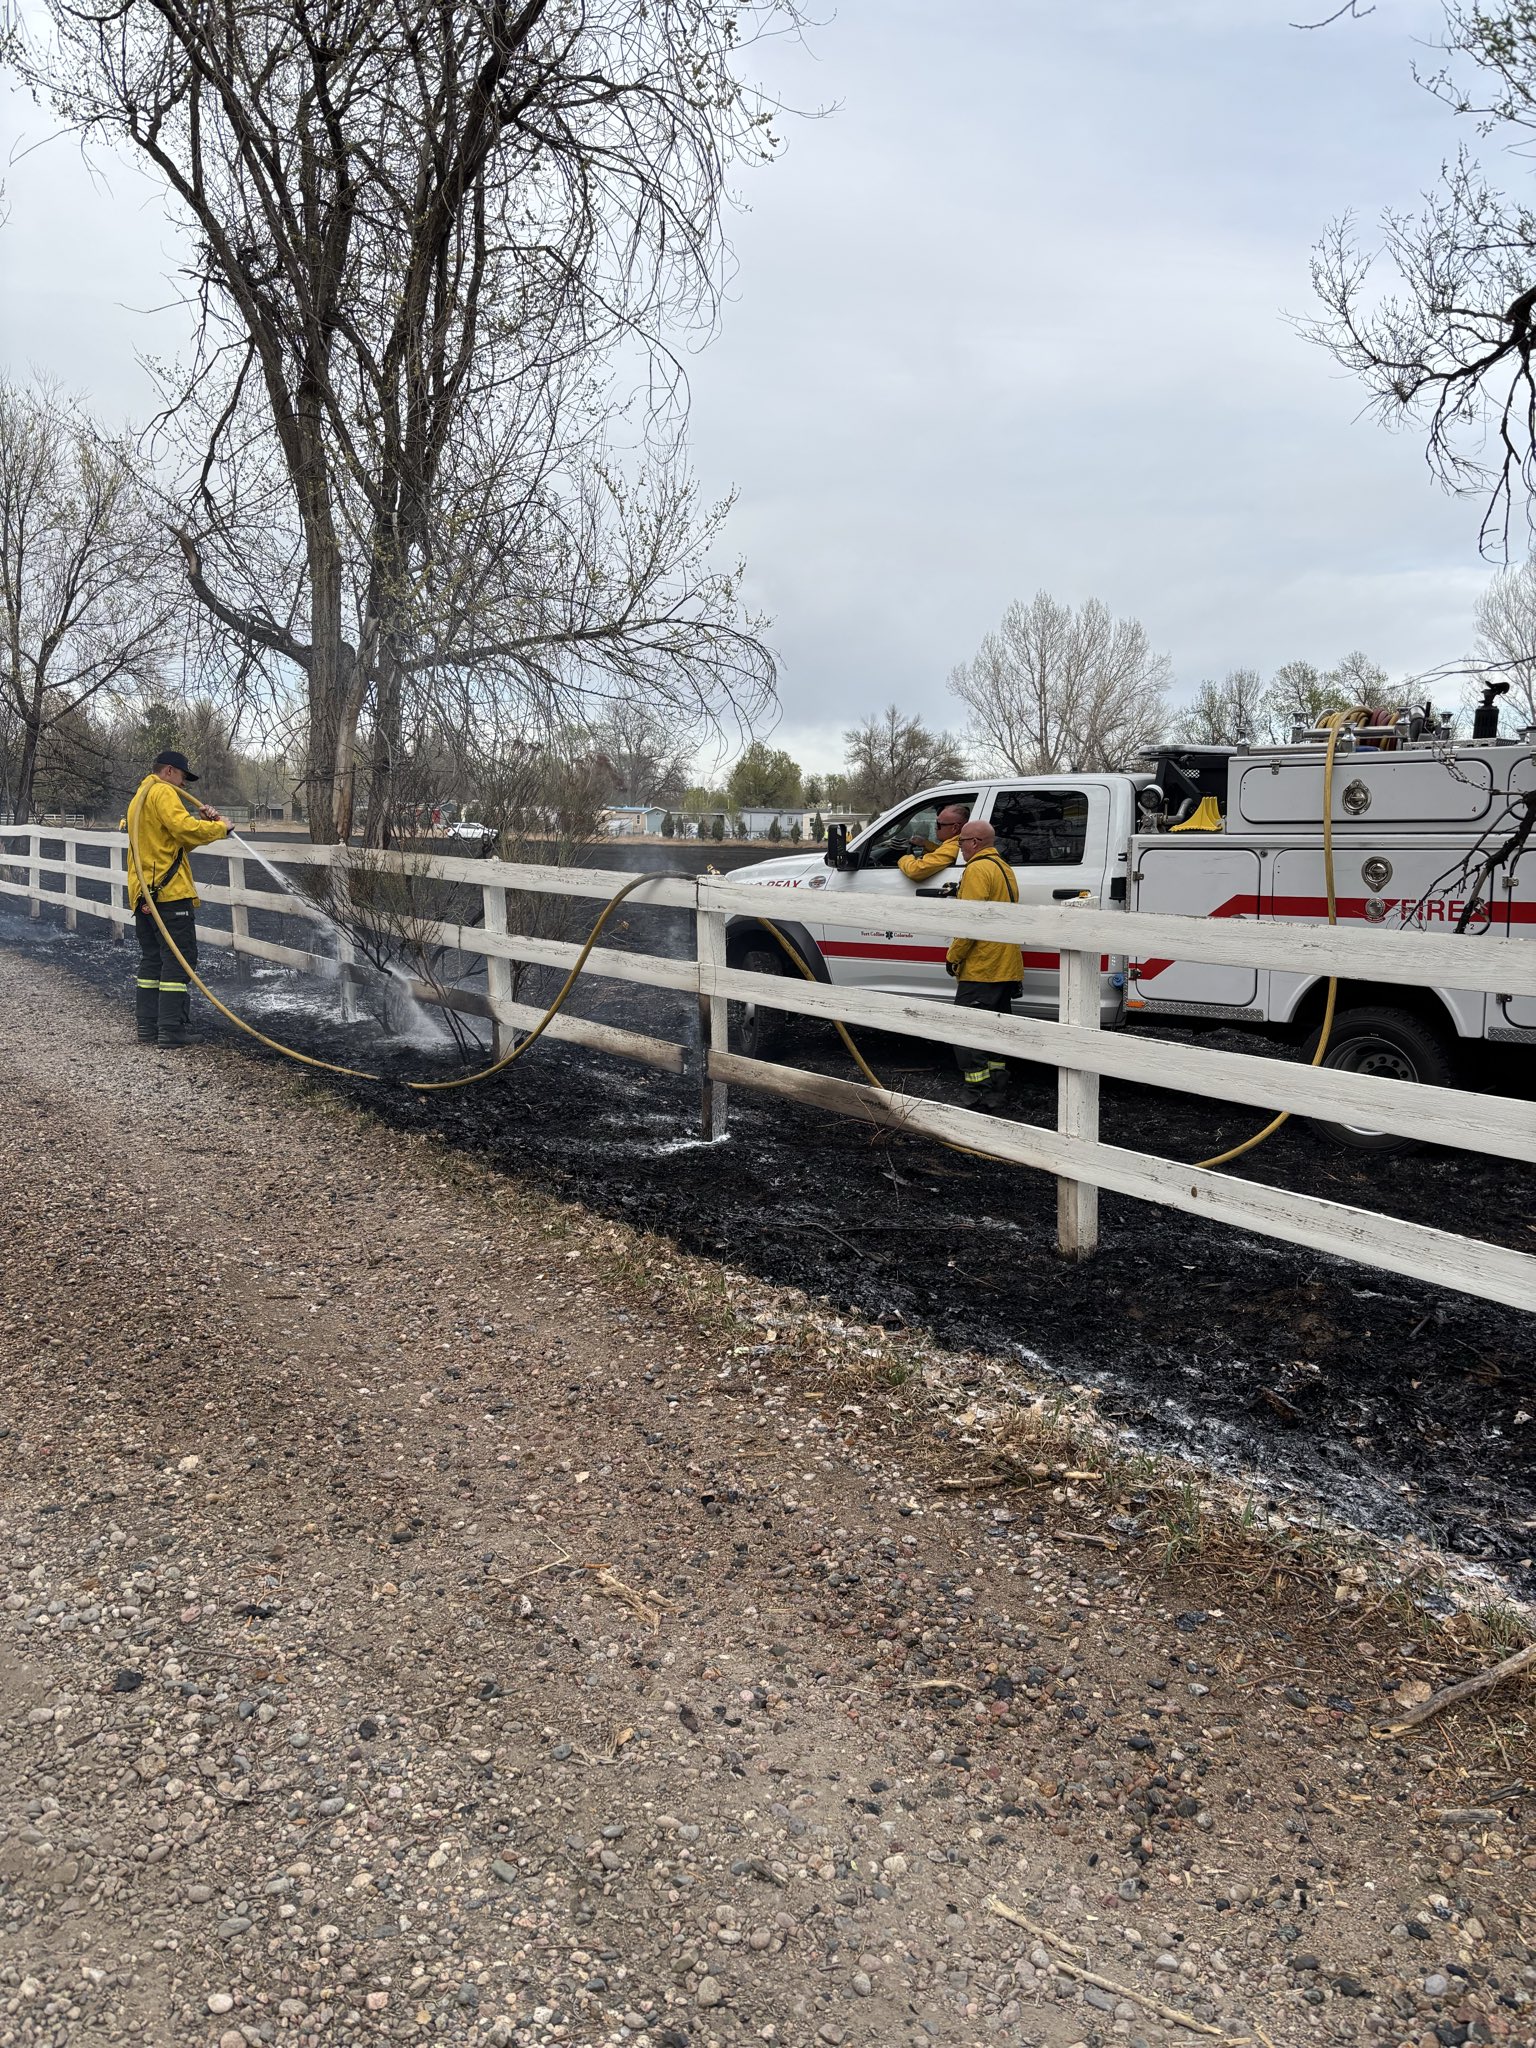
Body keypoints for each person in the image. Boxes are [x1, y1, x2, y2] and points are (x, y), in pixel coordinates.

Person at [123, 749, 231, 1047]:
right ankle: (170, 1030)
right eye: (183, 777)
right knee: (179, 960)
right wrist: (220, 828)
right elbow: (183, 829)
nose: (184, 785)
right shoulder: (162, 793)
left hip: (144, 894)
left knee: (153, 961)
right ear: (169, 771)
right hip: (169, 895)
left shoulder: (139, 799)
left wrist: (203, 824)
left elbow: (172, 845)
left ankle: (148, 1027)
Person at [946, 818, 1022, 1109]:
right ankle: (996, 1090)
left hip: (983, 968)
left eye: (962, 841)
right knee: (995, 1031)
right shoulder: (1004, 868)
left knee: (966, 1029)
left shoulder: (978, 869)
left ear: (975, 843)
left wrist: (954, 956)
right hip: (1005, 966)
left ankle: (975, 1090)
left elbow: (971, 922)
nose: (960, 847)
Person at [897, 802, 971, 883]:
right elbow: (941, 852)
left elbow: (915, 870)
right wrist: (926, 844)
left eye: (938, 824)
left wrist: (904, 858)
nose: (935, 828)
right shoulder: (957, 843)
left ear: (955, 828)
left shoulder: (953, 847)